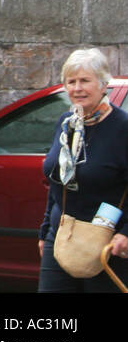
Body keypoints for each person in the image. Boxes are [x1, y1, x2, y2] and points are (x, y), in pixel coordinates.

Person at [38, 47, 128, 292]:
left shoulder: (122, 128)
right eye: (71, 81)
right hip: (61, 235)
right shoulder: (66, 123)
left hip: (107, 243)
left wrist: (126, 234)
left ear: (103, 84)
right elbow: (58, 179)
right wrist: (46, 230)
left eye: (85, 81)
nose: (77, 88)